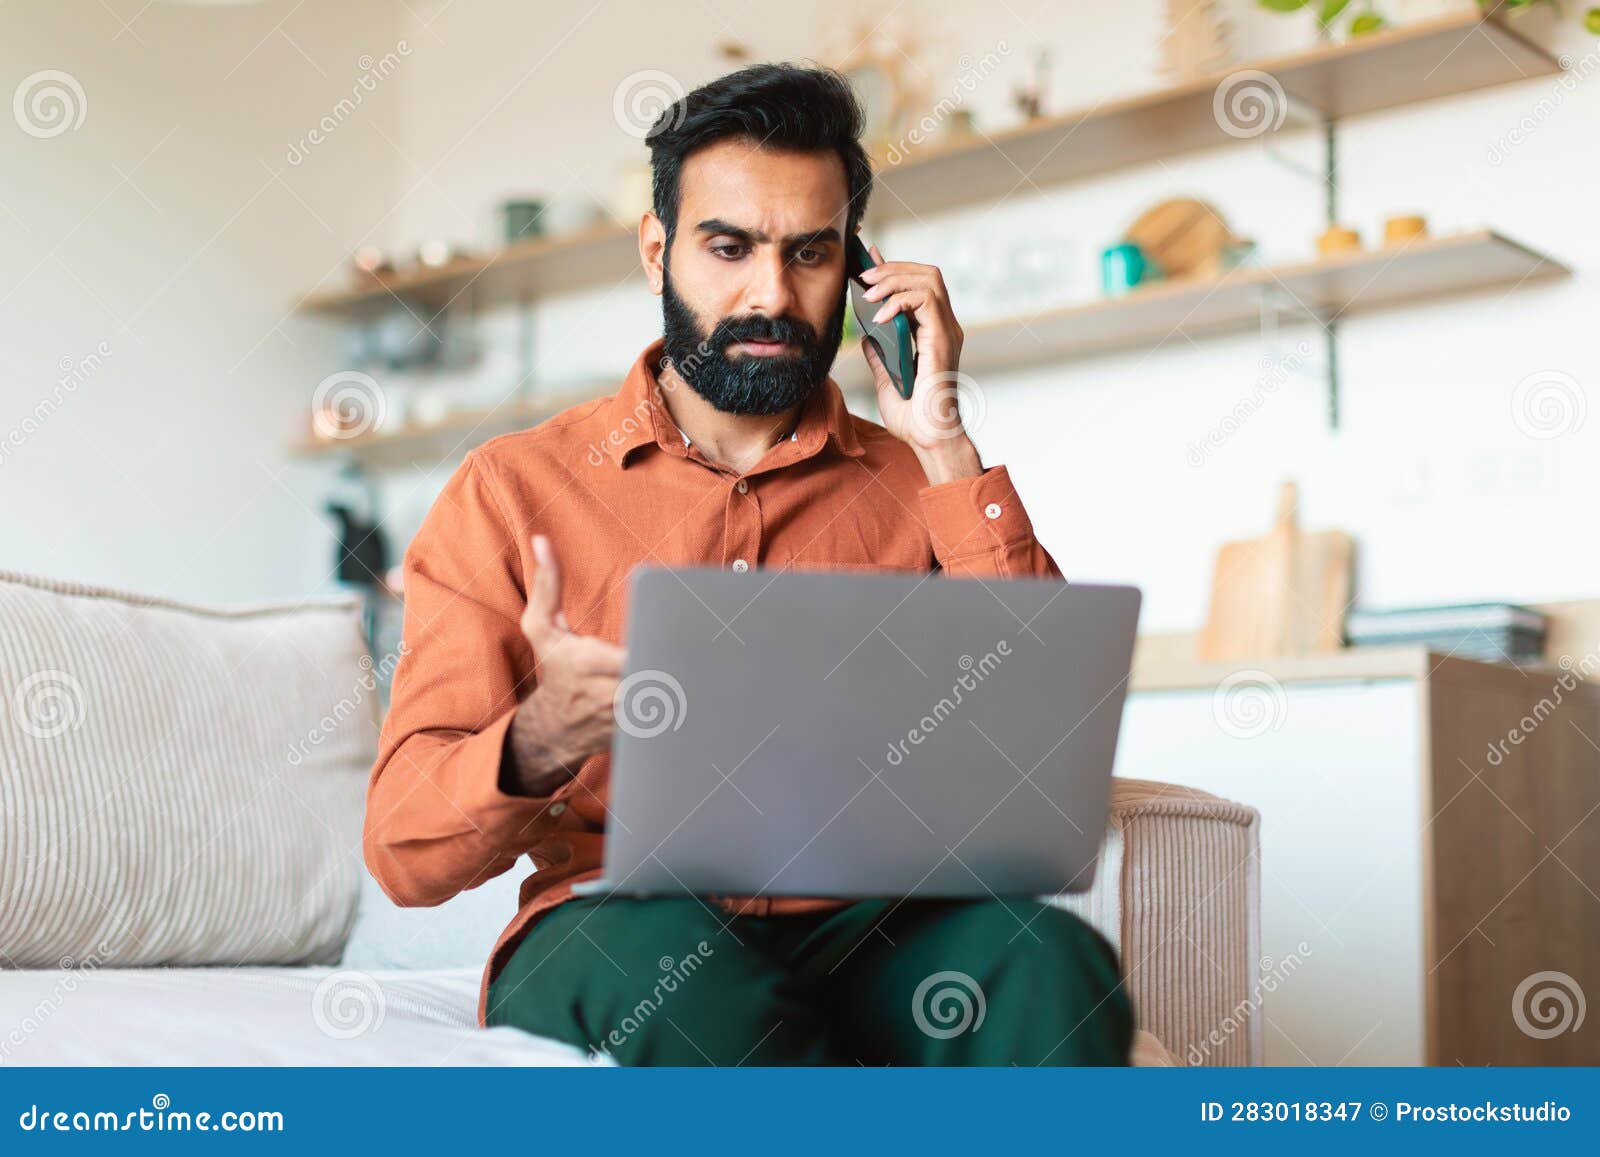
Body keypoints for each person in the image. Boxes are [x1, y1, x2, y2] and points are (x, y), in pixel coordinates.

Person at [364, 63, 1132, 1066]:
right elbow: (404, 848)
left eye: (809, 254)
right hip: (620, 919)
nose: (770, 294)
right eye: (728, 247)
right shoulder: (509, 488)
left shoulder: (916, 480)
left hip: (874, 928)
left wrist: (943, 442)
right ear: (657, 251)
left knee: (1043, 958)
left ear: (857, 271)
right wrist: (538, 737)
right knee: (694, 984)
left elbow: (1044, 747)